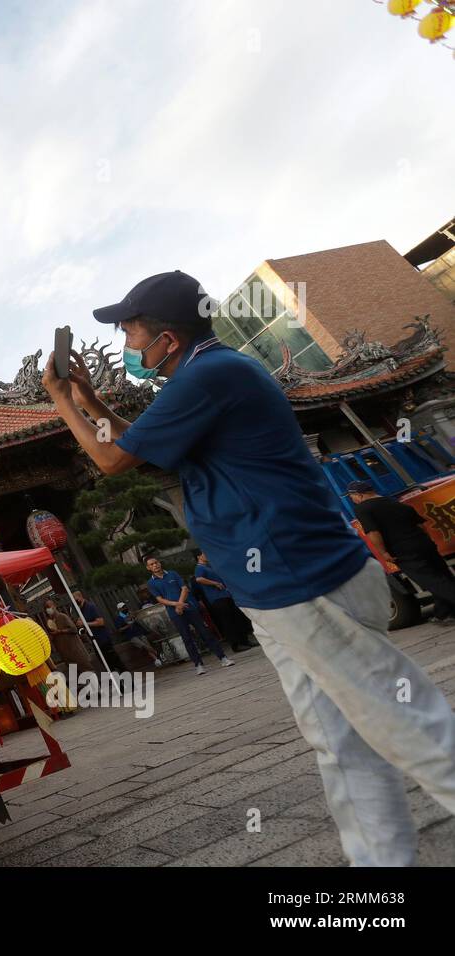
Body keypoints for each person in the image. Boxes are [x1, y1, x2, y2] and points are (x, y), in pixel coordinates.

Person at [43, 268, 455, 866]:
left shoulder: (207, 377)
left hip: (299, 579)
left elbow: (110, 458)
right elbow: (136, 442)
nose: (128, 347)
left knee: (399, 719)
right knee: (337, 741)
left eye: (131, 333)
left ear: (168, 339)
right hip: (279, 587)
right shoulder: (205, 374)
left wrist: (60, 400)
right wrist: (88, 397)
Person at [348, 480, 455, 621]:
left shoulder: (363, 508)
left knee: (433, 581)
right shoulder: (395, 502)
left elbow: (373, 532)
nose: (352, 500)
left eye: (352, 497)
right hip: (423, 543)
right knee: (442, 575)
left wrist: (383, 552)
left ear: (358, 495)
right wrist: (426, 541)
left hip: (403, 550)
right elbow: (421, 525)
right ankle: (443, 614)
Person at [144, 557, 232, 674]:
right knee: (187, 638)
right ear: (148, 568)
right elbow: (160, 599)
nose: (155, 565)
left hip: (189, 608)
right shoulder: (151, 583)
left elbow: (184, 588)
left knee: (205, 632)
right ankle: (198, 665)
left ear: (159, 563)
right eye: (152, 564)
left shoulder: (172, 574)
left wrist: (180, 604)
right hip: (175, 613)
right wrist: (177, 605)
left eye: (156, 562)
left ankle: (223, 658)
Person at [193, 551, 258, 653]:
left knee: (237, 617)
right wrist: (214, 583)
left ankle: (245, 640)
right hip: (217, 598)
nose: (207, 555)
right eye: (204, 554)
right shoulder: (199, 568)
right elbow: (199, 579)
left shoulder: (209, 566)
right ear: (198, 557)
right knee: (227, 621)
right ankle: (235, 645)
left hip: (226, 595)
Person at [71, 588, 128, 672]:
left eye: (75, 599)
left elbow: (101, 622)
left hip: (103, 639)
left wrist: (85, 623)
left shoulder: (90, 606)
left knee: (116, 662)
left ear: (80, 597)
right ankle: (119, 683)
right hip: (95, 641)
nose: (74, 601)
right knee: (107, 666)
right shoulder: (81, 610)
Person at [41, 597, 91, 669]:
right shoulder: (50, 622)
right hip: (66, 655)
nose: (47, 609)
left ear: (54, 606)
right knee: (76, 676)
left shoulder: (62, 616)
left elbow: (74, 629)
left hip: (76, 652)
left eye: (48, 607)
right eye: (46, 608)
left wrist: (60, 631)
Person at [115, 601, 164, 666]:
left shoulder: (130, 613)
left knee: (147, 645)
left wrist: (134, 617)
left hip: (139, 633)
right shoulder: (118, 618)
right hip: (131, 636)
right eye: (123, 607)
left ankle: (156, 660)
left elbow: (138, 621)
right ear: (120, 609)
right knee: (143, 645)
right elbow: (120, 630)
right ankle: (159, 654)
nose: (125, 608)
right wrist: (128, 626)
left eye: (125, 606)